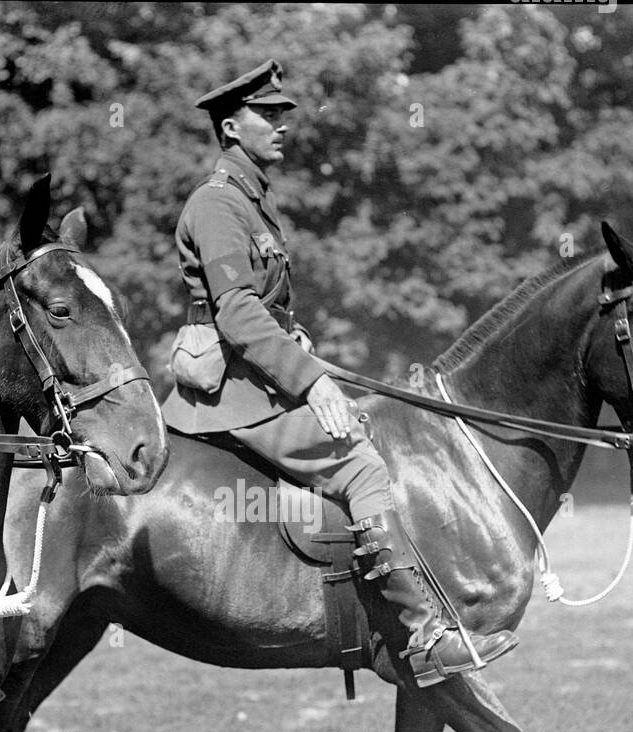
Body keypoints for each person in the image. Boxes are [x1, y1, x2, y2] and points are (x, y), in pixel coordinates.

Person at [162, 60, 517, 687]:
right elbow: (239, 310)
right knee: (361, 465)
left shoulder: (252, 201)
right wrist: (313, 382)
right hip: (237, 395)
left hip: (261, 379)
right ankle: (422, 634)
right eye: (266, 116)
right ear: (229, 128)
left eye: (282, 115)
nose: (282, 126)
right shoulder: (218, 205)